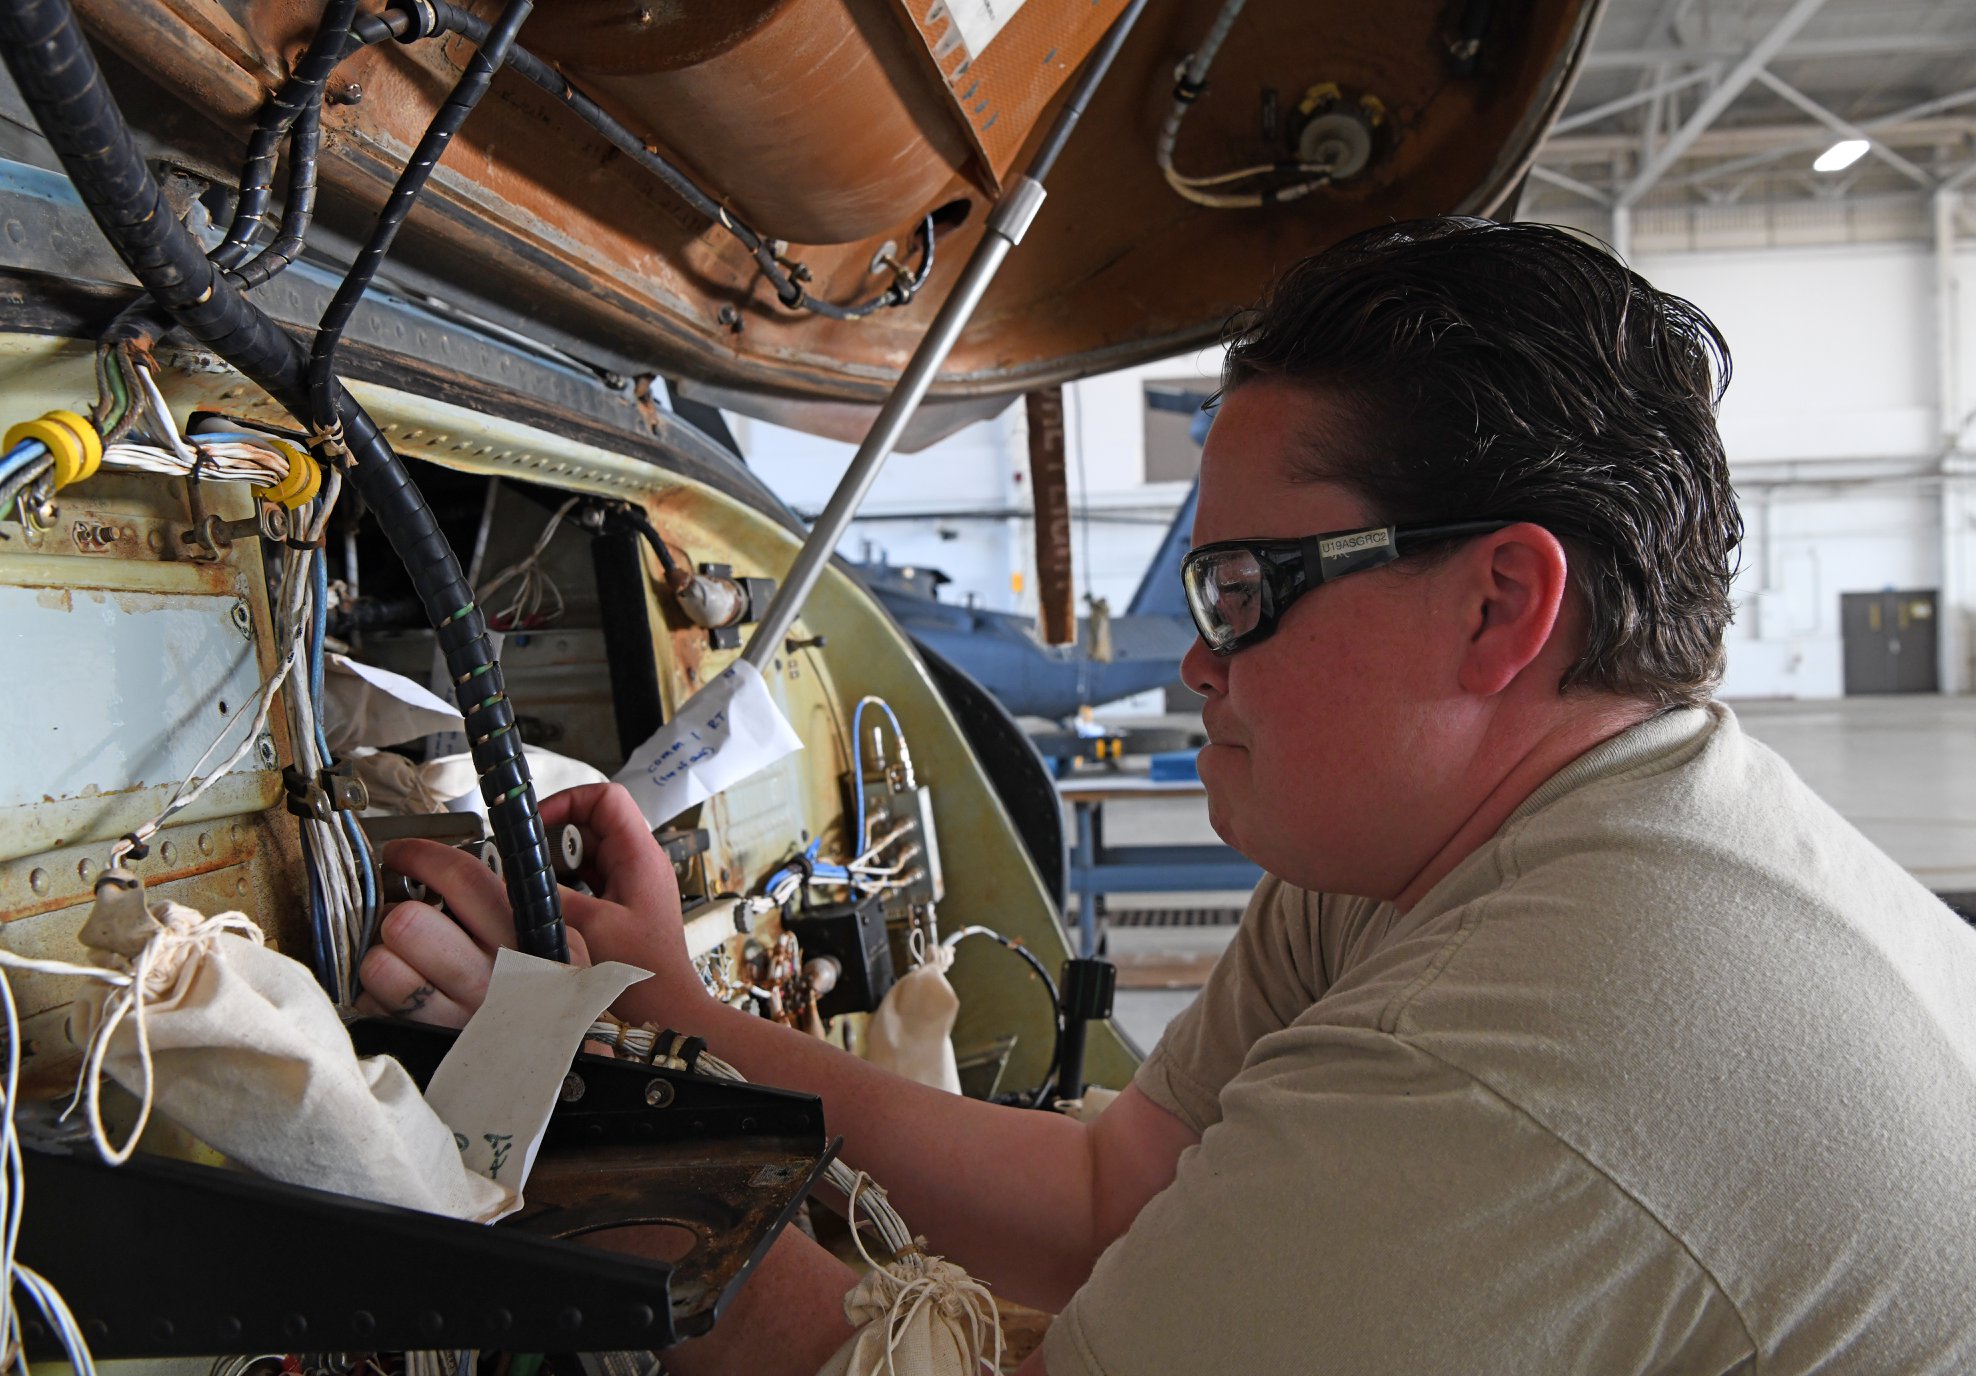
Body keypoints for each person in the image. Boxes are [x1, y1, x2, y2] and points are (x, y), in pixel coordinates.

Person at [358, 218, 1976, 1374]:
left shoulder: (1542, 1054)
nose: (1197, 665)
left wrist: (560, 1141)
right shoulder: (1467, 850)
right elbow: (1112, 1196)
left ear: (1500, 609)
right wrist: (672, 1019)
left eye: (1244, 591)